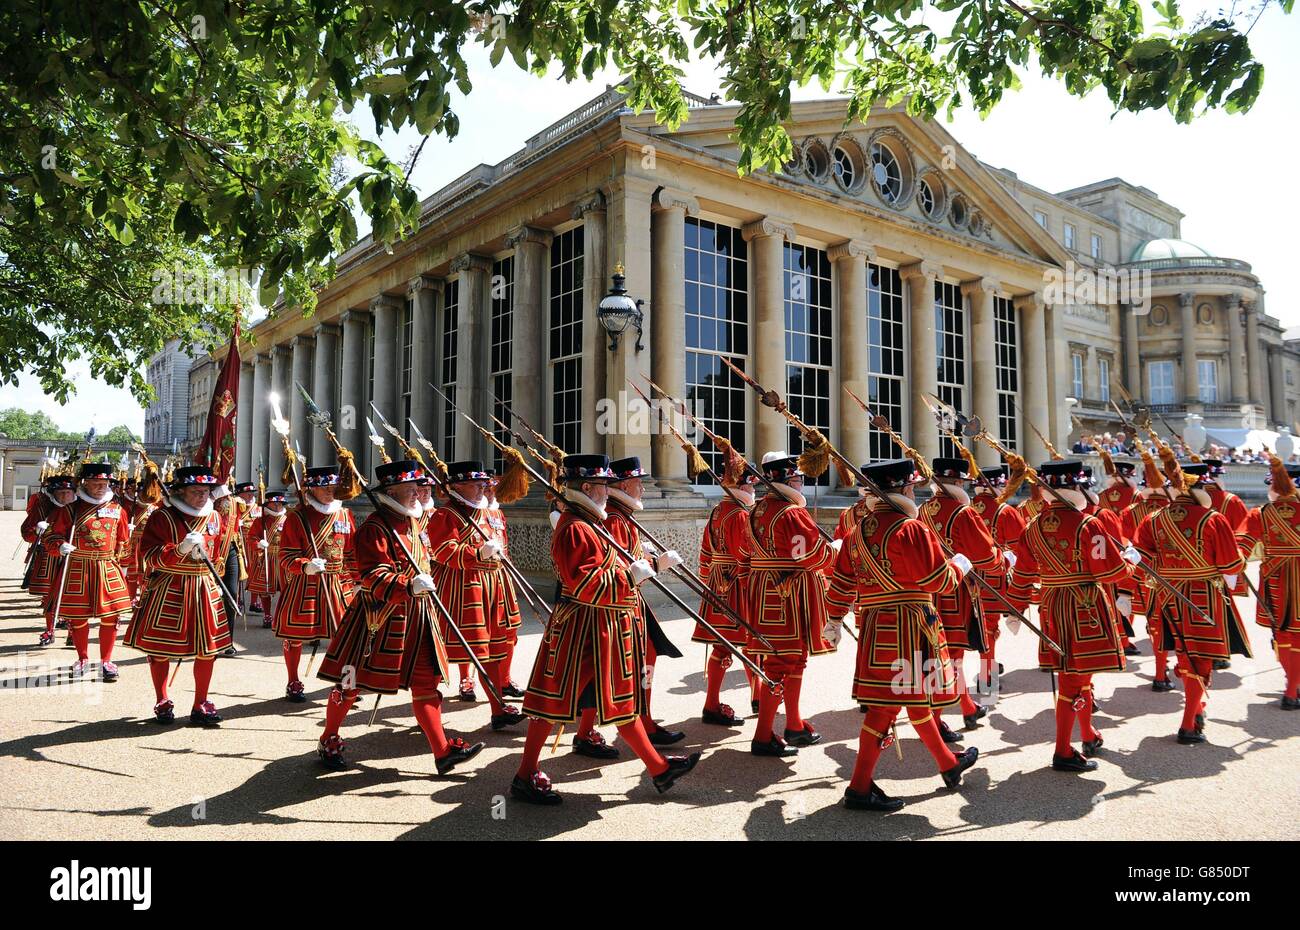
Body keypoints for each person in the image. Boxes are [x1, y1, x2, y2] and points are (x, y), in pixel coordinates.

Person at [510, 454, 700, 805]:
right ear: (587, 488)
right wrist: (636, 573)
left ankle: (659, 769)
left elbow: (608, 563)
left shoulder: (589, 521)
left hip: (601, 628)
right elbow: (586, 584)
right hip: (581, 627)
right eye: (603, 485)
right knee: (551, 704)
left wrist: (644, 562)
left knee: (619, 701)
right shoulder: (575, 527)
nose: (608, 491)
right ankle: (524, 775)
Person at [826, 458, 980, 812]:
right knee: (885, 709)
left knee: (908, 699)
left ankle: (947, 763)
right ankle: (859, 787)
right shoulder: (911, 529)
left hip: (876, 625)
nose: (915, 490)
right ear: (903, 488)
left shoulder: (856, 531)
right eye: (911, 486)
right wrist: (959, 565)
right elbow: (937, 581)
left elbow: (841, 584)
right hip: (910, 626)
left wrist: (833, 620)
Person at [316, 460, 484, 774]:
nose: (417, 495)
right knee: (350, 682)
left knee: (426, 683)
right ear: (391, 491)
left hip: (418, 618)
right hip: (377, 620)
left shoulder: (414, 523)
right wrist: (407, 585)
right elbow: (371, 576)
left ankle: (442, 751)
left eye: (418, 490)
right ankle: (329, 736)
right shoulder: (374, 528)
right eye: (410, 490)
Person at [1009, 461, 1130, 771]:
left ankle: (1088, 733)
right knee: (1073, 680)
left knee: (1076, 676)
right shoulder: (1088, 523)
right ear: (1076, 488)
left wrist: (1015, 606)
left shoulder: (1032, 525)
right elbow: (1112, 571)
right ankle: (1063, 749)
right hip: (1084, 604)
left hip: (1051, 604)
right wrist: (1131, 562)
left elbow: (1021, 574)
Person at [1131, 460, 1252, 744]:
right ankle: (1188, 723)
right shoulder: (1213, 518)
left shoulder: (1154, 518)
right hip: (1203, 595)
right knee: (1201, 658)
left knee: (1184, 655)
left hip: (1167, 593)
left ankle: (1196, 708)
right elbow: (1231, 563)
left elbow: (1139, 558)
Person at [743, 452, 839, 756]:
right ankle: (763, 736)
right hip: (787, 594)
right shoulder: (790, 512)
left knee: (794, 659)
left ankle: (794, 724)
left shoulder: (758, 508)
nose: (801, 483)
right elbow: (810, 555)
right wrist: (834, 552)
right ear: (788, 480)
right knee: (781, 663)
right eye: (797, 478)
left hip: (767, 590)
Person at [124, 466, 233, 725]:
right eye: (196, 491)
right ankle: (162, 699)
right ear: (181, 492)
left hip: (205, 587)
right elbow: (149, 556)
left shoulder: (215, 518)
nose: (202, 496)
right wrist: (180, 549)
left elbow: (219, 554)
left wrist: (214, 573)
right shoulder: (162, 517)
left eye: (206, 491)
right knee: (161, 649)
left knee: (208, 650)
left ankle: (200, 703)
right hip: (170, 587)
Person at [424, 460, 526, 731]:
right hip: (463, 587)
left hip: (494, 585)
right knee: (442, 651)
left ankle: (498, 708)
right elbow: (444, 552)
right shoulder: (446, 516)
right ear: (457, 486)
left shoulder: (489, 512)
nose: (484, 488)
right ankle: (426, 709)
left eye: (484, 484)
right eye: (477, 484)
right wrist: (477, 553)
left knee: (492, 651)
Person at [603, 455, 685, 745]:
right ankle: (635, 721)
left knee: (647, 655)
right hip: (618, 601)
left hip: (630, 599)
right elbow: (620, 566)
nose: (644, 489)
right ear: (624, 484)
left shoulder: (623, 515)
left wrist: (652, 559)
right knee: (605, 668)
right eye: (639, 483)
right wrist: (654, 565)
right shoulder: (615, 518)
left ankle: (645, 717)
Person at [919, 457, 1003, 736]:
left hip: (929, 589)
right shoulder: (962, 512)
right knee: (950, 654)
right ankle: (936, 718)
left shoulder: (923, 510)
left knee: (941, 653)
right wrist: (1004, 562)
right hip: (955, 590)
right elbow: (985, 555)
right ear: (957, 482)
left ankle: (967, 706)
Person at [42, 462, 133, 679]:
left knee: (111, 617)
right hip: (78, 566)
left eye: (104, 483)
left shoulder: (117, 510)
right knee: (78, 617)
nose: (100, 487)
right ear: (86, 483)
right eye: (95, 482)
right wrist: (60, 546)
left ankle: (106, 661)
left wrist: (125, 563)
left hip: (107, 566)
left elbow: (123, 541)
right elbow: (51, 537)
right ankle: (82, 658)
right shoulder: (71, 509)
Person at [272, 465, 355, 702]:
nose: (330, 492)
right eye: (325, 488)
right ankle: (293, 680)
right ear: (312, 489)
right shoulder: (297, 517)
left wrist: (357, 582)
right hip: (305, 584)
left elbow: (352, 553)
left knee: (346, 636)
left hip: (338, 583)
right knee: (294, 635)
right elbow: (286, 556)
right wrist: (305, 565)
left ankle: (346, 682)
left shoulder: (345, 514)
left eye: (333, 488)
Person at [694, 452, 760, 728]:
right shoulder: (740, 514)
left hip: (718, 584)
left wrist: (708, 580)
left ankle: (716, 702)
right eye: (752, 486)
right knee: (749, 644)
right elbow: (744, 554)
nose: (754, 490)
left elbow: (706, 551)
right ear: (743, 486)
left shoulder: (718, 510)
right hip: (737, 585)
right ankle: (757, 697)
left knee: (724, 647)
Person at [1235, 455, 1300, 709]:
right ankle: (1292, 688)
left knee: (1282, 633)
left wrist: (1234, 564)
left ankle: (1290, 684)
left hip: (1276, 579)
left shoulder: (1260, 513)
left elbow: (1243, 545)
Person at [968, 464, 1026, 690]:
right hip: (995, 576)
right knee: (989, 627)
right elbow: (1020, 549)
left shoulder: (967, 508)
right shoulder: (1006, 511)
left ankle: (989, 664)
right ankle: (987, 675)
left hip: (965, 576)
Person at [1120, 448, 1174, 691]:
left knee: (1155, 624)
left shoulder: (1131, 512)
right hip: (1180, 576)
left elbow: (1125, 547)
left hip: (1141, 572)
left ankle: (988, 688)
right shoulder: (1182, 510)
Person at [1200, 458, 1250, 670]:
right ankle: (1219, 651)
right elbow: (1242, 533)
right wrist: (1237, 560)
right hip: (1224, 562)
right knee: (1222, 606)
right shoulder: (1232, 500)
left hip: (1192, 565)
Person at [22, 473, 74, 645]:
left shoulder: (78, 507)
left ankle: (72, 631)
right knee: (50, 596)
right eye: (61, 493)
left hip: (73, 556)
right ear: (54, 493)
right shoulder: (43, 506)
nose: (65, 496)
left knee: (72, 595)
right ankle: (50, 629)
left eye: (68, 492)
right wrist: (36, 529)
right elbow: (26, 533)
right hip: (49, 556)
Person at [245, 490, 288, 628]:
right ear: (268, 505)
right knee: (264, 589)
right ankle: (268, 615)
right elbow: (251, 537)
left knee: (287, 588)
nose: (277, 507)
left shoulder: (288, 520)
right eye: (274, 504)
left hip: (282, 558)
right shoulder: (260, 521)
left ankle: (283, 615)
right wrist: (258, 544)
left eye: (279, 504)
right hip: (267, 557)